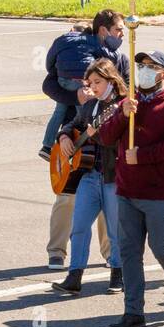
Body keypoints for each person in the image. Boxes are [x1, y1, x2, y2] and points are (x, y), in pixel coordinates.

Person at [97, 50, 164, 327]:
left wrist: (141, 155)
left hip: (159, 190)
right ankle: (133, 311)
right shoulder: (129, 103)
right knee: (129, 252)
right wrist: (122, 115)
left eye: (150, 67)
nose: (143, 70)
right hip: (127, 188)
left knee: (162, 248)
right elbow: (105, 136)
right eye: (141, 65)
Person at [50, 59, 126, 296]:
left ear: (111, 80)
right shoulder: (90, 105)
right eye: (90, 82)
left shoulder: (122, 106)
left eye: (97, 82)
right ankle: (75, 275)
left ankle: (118, 274)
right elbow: (70, 124)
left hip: (113, 176)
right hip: (90, 175)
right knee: (80, 226)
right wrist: (64, 137)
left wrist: (99, 134)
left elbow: (119, 140)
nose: (93, 87)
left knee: (115, 229)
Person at [41, 10, 126, 159]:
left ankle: (47, 146)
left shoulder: (62, 41)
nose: (123, 35)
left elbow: (50, 67)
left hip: (98, 149)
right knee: (84, 115)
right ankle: (69, 147)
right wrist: (75, 97)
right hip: (74, 140)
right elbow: (48, 85)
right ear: (103, 31)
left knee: (60, 113)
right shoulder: (96, 45)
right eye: (118, 29)